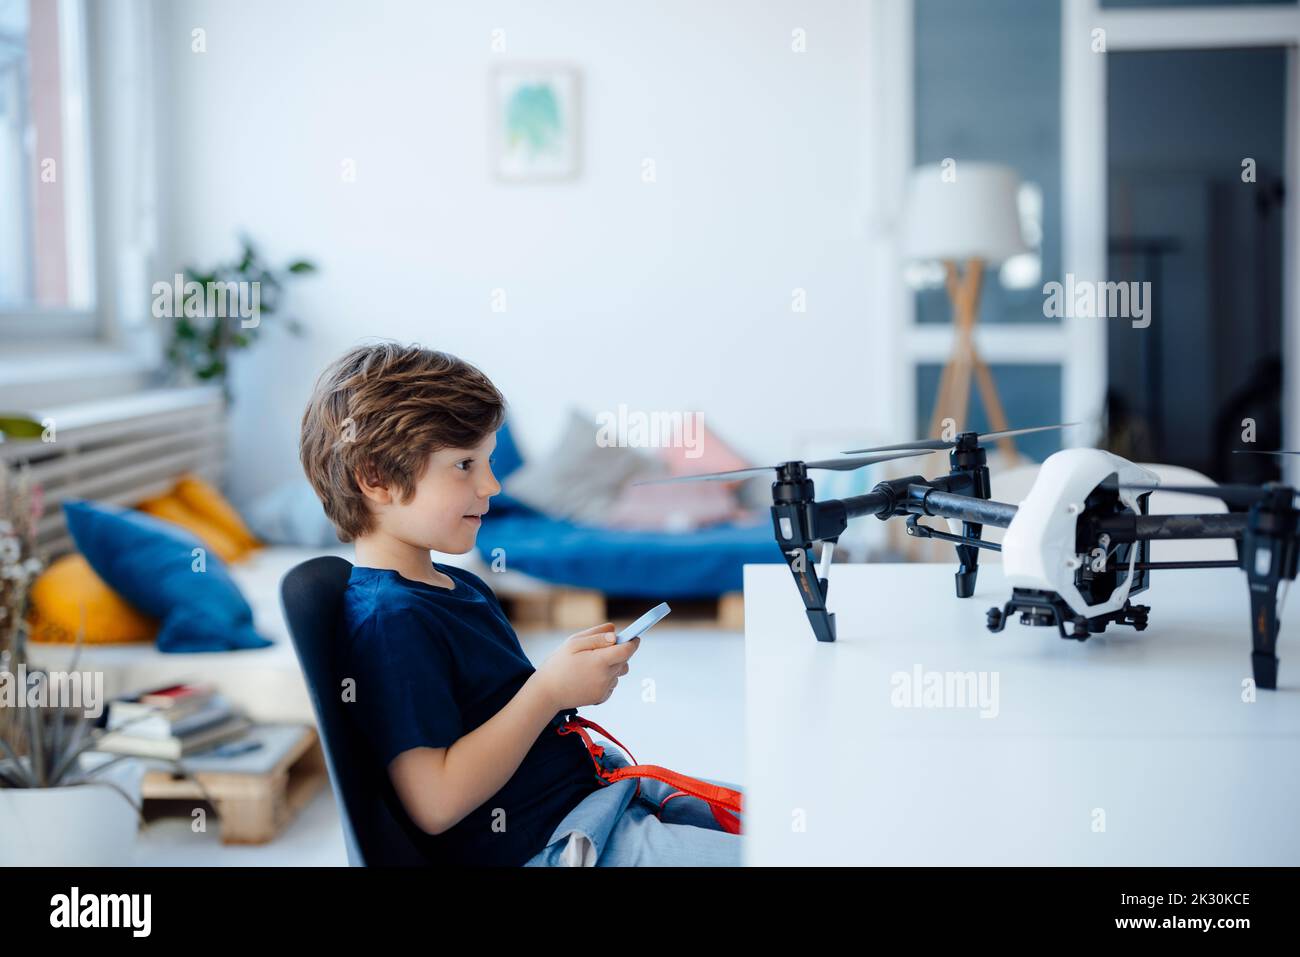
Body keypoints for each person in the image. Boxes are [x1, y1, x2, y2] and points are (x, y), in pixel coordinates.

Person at [298, 341, 742, 866]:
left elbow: (501, 713)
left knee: (799, 826)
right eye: (465, 464)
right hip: (553, 845)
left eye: (486, 460)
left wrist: (560, 679)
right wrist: (548, 690)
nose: (492, 484)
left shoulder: (461, 588)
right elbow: (435, 803)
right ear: (376, 479)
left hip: (595, 802)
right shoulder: (390, 622)